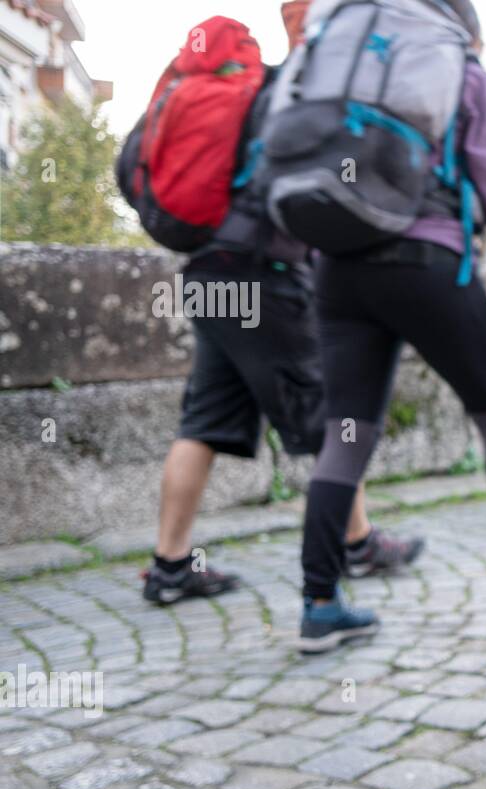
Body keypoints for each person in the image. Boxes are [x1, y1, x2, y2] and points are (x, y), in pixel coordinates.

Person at [298, 0, 486, 652]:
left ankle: (319, 603)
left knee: (346, 434)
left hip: (338, 271)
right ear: (468, 30)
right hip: (428, 265)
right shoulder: (464, 70)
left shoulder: (339, 68)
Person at [142, 1, 422, 607]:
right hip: (263, 274)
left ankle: (168, 568)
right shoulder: (289, 89)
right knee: (328, 417)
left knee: (203, 422)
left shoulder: (242, 92)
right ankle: (354, 552)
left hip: (210, 273)